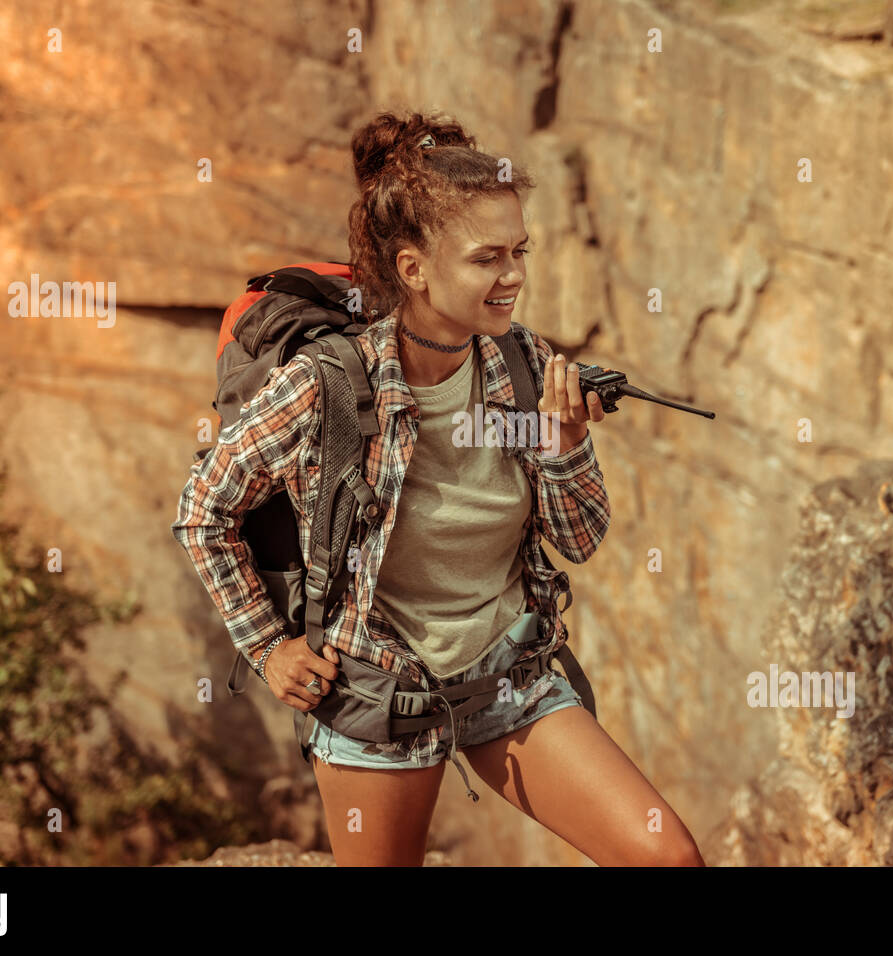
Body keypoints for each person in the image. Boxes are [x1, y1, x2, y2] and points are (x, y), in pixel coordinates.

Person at [173, 109, 706, 866]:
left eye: (520, 251)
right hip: (378, 698)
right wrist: (270, 647)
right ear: (415, 268)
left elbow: (581, 540)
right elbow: (203, 512)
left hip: (505, 677)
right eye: (488, 257)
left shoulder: (519, 365)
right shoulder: (327, 387)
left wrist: (562, 449)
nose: (514, 274)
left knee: (668, 858)